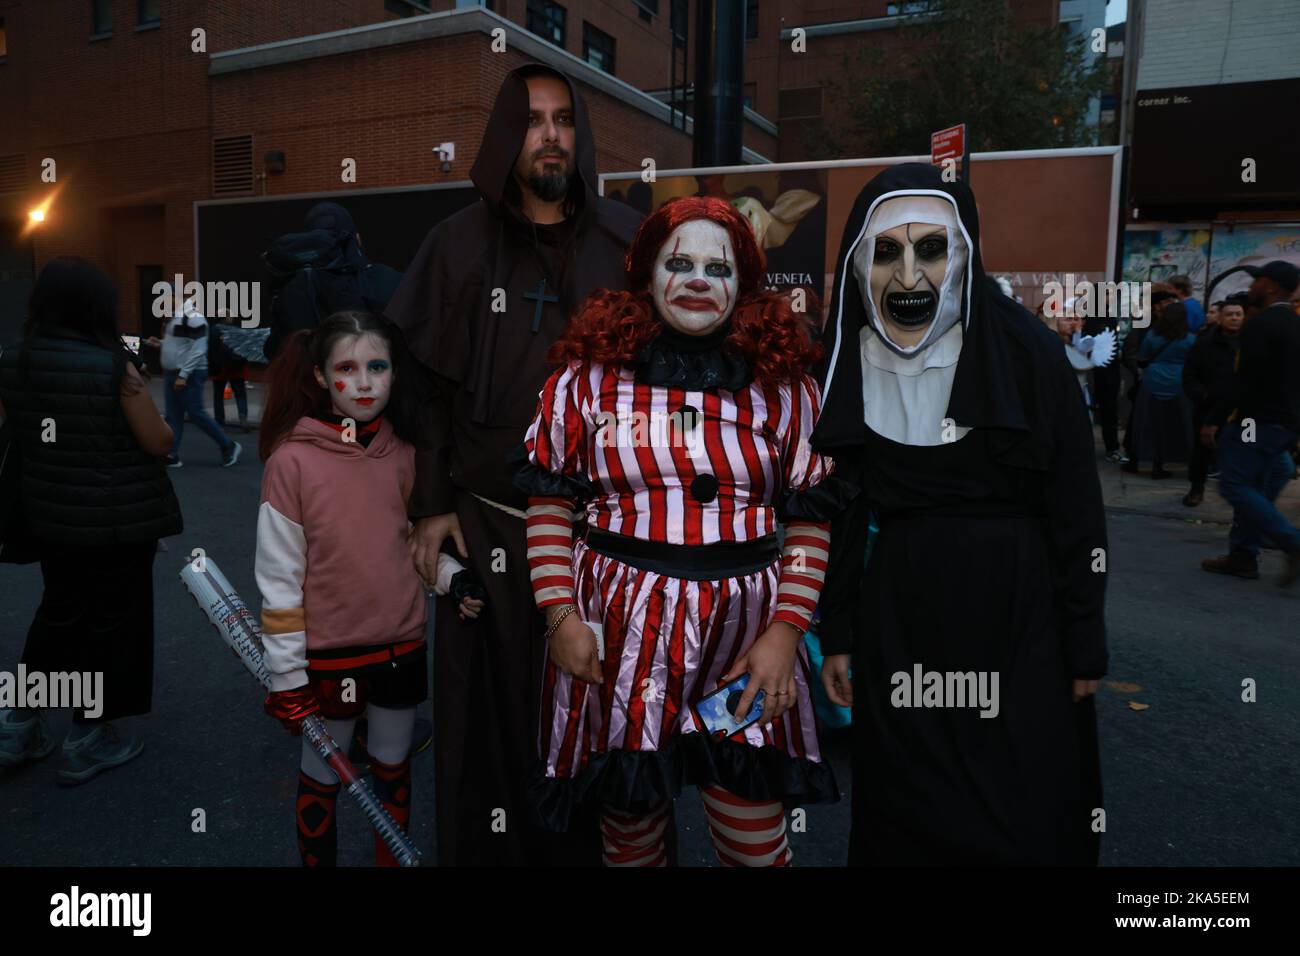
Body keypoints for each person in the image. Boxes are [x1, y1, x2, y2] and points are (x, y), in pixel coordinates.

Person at [517, 196, 840, 867]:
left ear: (741, 285)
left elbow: (810, 522)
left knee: (752, 829)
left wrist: (785, 635)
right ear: (648, 274)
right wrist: (558, 616)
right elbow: (548, 506)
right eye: (680, 261)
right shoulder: (586, 383)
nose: (698, 278)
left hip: (744, 640)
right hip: (625, 640)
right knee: (631, 831)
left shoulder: (784, 390)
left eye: (717, 267)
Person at [385, 63, 643, 866]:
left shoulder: (630, 243)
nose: (551, 135)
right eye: (532, 120)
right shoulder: (456, 245)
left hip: (605, 541)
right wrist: (430, 507)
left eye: (564, 119)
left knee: (600, 718)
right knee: (488, 730)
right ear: (507, 135)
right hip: (489, 531)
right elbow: (422, 388)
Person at [812, 164, 1106, 865]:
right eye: (887, 251)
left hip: (1018, 614)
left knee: (1020, 799)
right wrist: (842, 632)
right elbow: (847, 509)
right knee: (907, 797)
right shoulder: (852, 359)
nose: (909, 275)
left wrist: (1084, 639)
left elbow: (1075, 508)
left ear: (965, 254)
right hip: (902, 615)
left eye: (931, 249)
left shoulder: (1028, 352)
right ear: (860, 264)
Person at [254, 311, 436, 866]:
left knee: (393, 762)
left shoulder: (406, 453)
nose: (362, 382)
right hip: (330, 657)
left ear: (394, 374)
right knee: (323, 773)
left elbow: (410, 542)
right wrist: (287, 676)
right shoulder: (291, 461)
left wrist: (451, 576)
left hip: (403, 646)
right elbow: (279, 578)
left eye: (377, 366)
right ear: (318, 377)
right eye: (347, 368)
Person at [0, 257, 182, 782]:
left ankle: (19, 725)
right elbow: (159, 440)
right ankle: (88, 736)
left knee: (57, 612)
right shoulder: (112, 367)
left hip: (49, 516)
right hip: (116, 522)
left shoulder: (14, 360)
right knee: (112, 623)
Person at [1200, 261, 1300, 587]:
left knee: (1235, 484)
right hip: (1282, 425)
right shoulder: (1294, 324)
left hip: (1253, 422)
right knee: (1263, 478)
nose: (1252, 286)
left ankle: (1290, 542)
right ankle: (1243, 555)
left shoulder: (1262, 326)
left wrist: (1215, 419)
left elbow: (1243, 381)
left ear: (1270, 286)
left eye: (1258, 281)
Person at [263, 202, 403, 361]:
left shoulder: (291, 285)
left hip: (307, 380)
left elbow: (274, 350)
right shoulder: (383, 278)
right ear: (357, 238)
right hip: (369, 378)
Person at [146, 296, 241, 468]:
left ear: (177, 298)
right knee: (173, 414)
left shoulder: (194, 318)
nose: (163, 301)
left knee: (195, 412)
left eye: (168, 297)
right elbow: (181, 345)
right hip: (173, 373)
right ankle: (171, 454)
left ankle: (229, 445)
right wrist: (160, 343)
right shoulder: (175, 317)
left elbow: (199, 349)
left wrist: (184, 375)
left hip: (189, 374)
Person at [1182, 296, 1245, 506]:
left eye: (1238, 314)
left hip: (1244, 412)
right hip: (1209, 408)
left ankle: (1244, 492)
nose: (1234, 318)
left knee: (1247, 446)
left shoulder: (1251, 343)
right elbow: (1190, 374)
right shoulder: (1205, 343)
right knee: (1202, 449)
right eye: (1229, 314)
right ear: (1220, 318)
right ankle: (1196, 487)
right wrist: (1202, 395)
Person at [1124, 301, 1196, 479]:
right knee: (1177, 424)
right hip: (1178, 383)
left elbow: (1142, 357)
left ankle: (1153, 462)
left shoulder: (1152, 335)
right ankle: (1181, 460)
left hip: (1152, 381)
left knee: (1150, 424)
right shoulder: (1190, 338)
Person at [208, 312, 251, 432]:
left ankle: (219, 421)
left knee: (218, 395)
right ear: (225, 316)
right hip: (236, 368)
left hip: (219, 368)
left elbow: (210, 350)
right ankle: (243, 418)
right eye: (230, 315)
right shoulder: (236, 330)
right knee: (240, 394)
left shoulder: (213, 331)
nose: (232, 317)